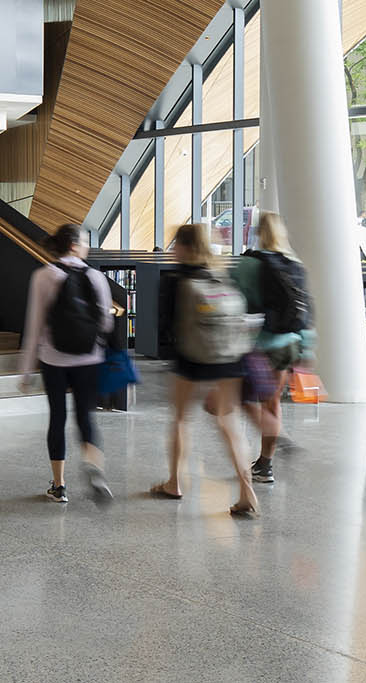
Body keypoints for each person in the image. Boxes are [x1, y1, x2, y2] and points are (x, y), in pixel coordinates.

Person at [152, 221, 257, 517]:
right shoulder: (222, 275)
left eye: (176, 245)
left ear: (185, 247)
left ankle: (174, 483)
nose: (173, 250)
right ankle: (246, 490)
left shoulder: (177, 279)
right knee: (230, 424)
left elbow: (167, 326)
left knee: (181, 420)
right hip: (230, 357)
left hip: (193, 358)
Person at [16, 224, 115, 501]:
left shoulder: (43, 276)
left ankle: (58, 486)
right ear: (73, 245)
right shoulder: (95, 277)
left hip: (54, 358)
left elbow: (34, 325)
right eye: (84, 242)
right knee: (85, 415)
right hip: (88, 357)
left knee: (57, 417)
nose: (87, 246)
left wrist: (25, 370)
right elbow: (105, 323)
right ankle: (94, 464)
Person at [233, 208, 312, 487]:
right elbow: (305, 309)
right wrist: (306, 348)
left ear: (258, 233)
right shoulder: (295, 265)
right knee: (273, 402)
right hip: (288, 344)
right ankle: (265, 465)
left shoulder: (247, 265)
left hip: (258, 345)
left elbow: (234, 302)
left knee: (241, 400)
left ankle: (275, 432)